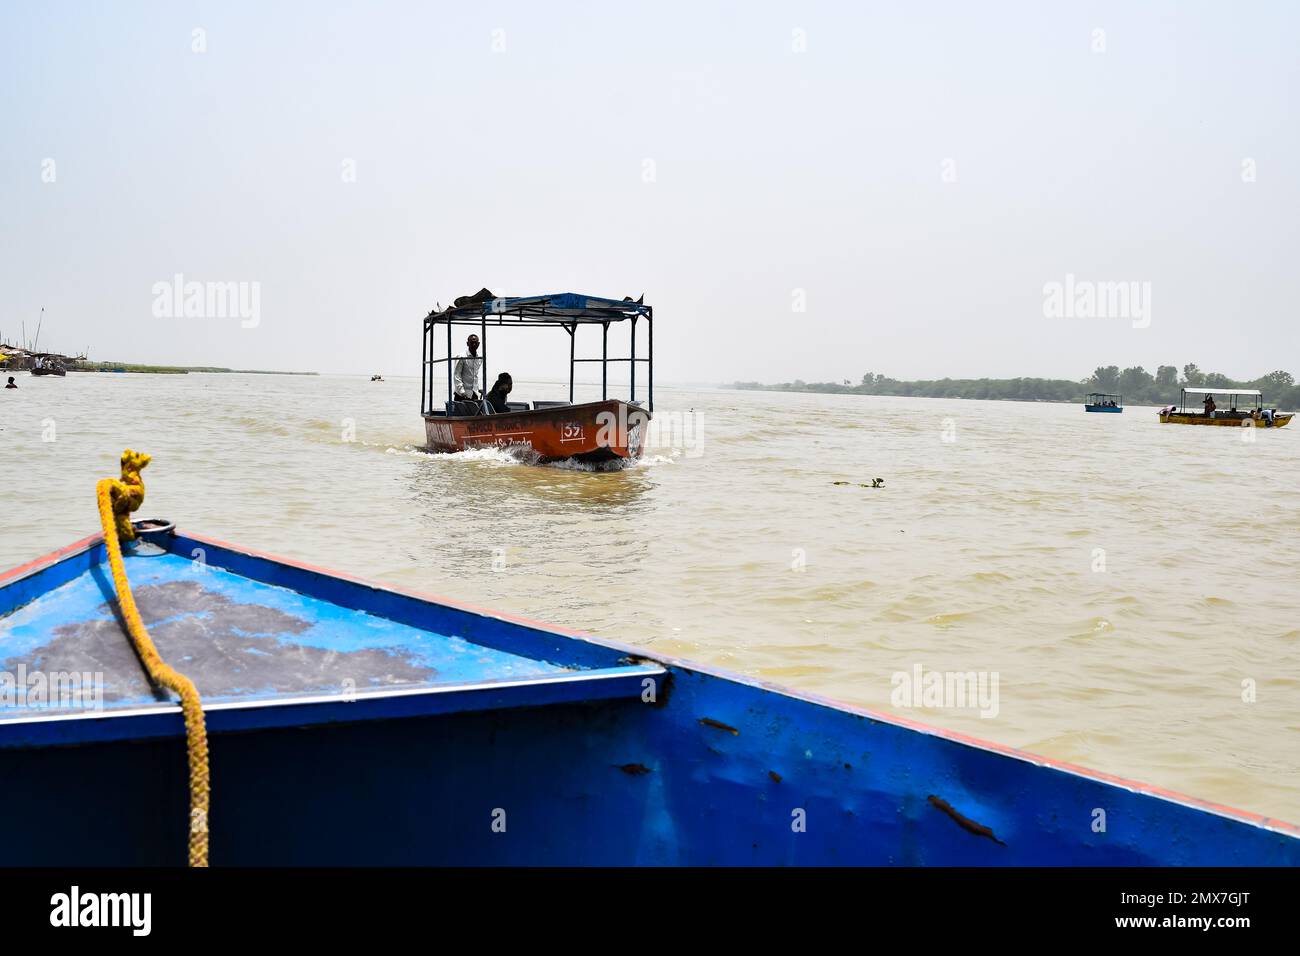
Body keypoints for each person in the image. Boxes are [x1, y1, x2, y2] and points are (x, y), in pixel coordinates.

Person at [453, 334, 483, 401]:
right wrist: (462, 392)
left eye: (475, 343)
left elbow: (474, 375)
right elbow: (457, 375)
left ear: (478, 344)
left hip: (474, 393)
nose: (474, 345)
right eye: (472, 343)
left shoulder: (479, 358)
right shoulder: (461, 356)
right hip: (462, 395)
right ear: (467, 343)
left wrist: (477, 389)